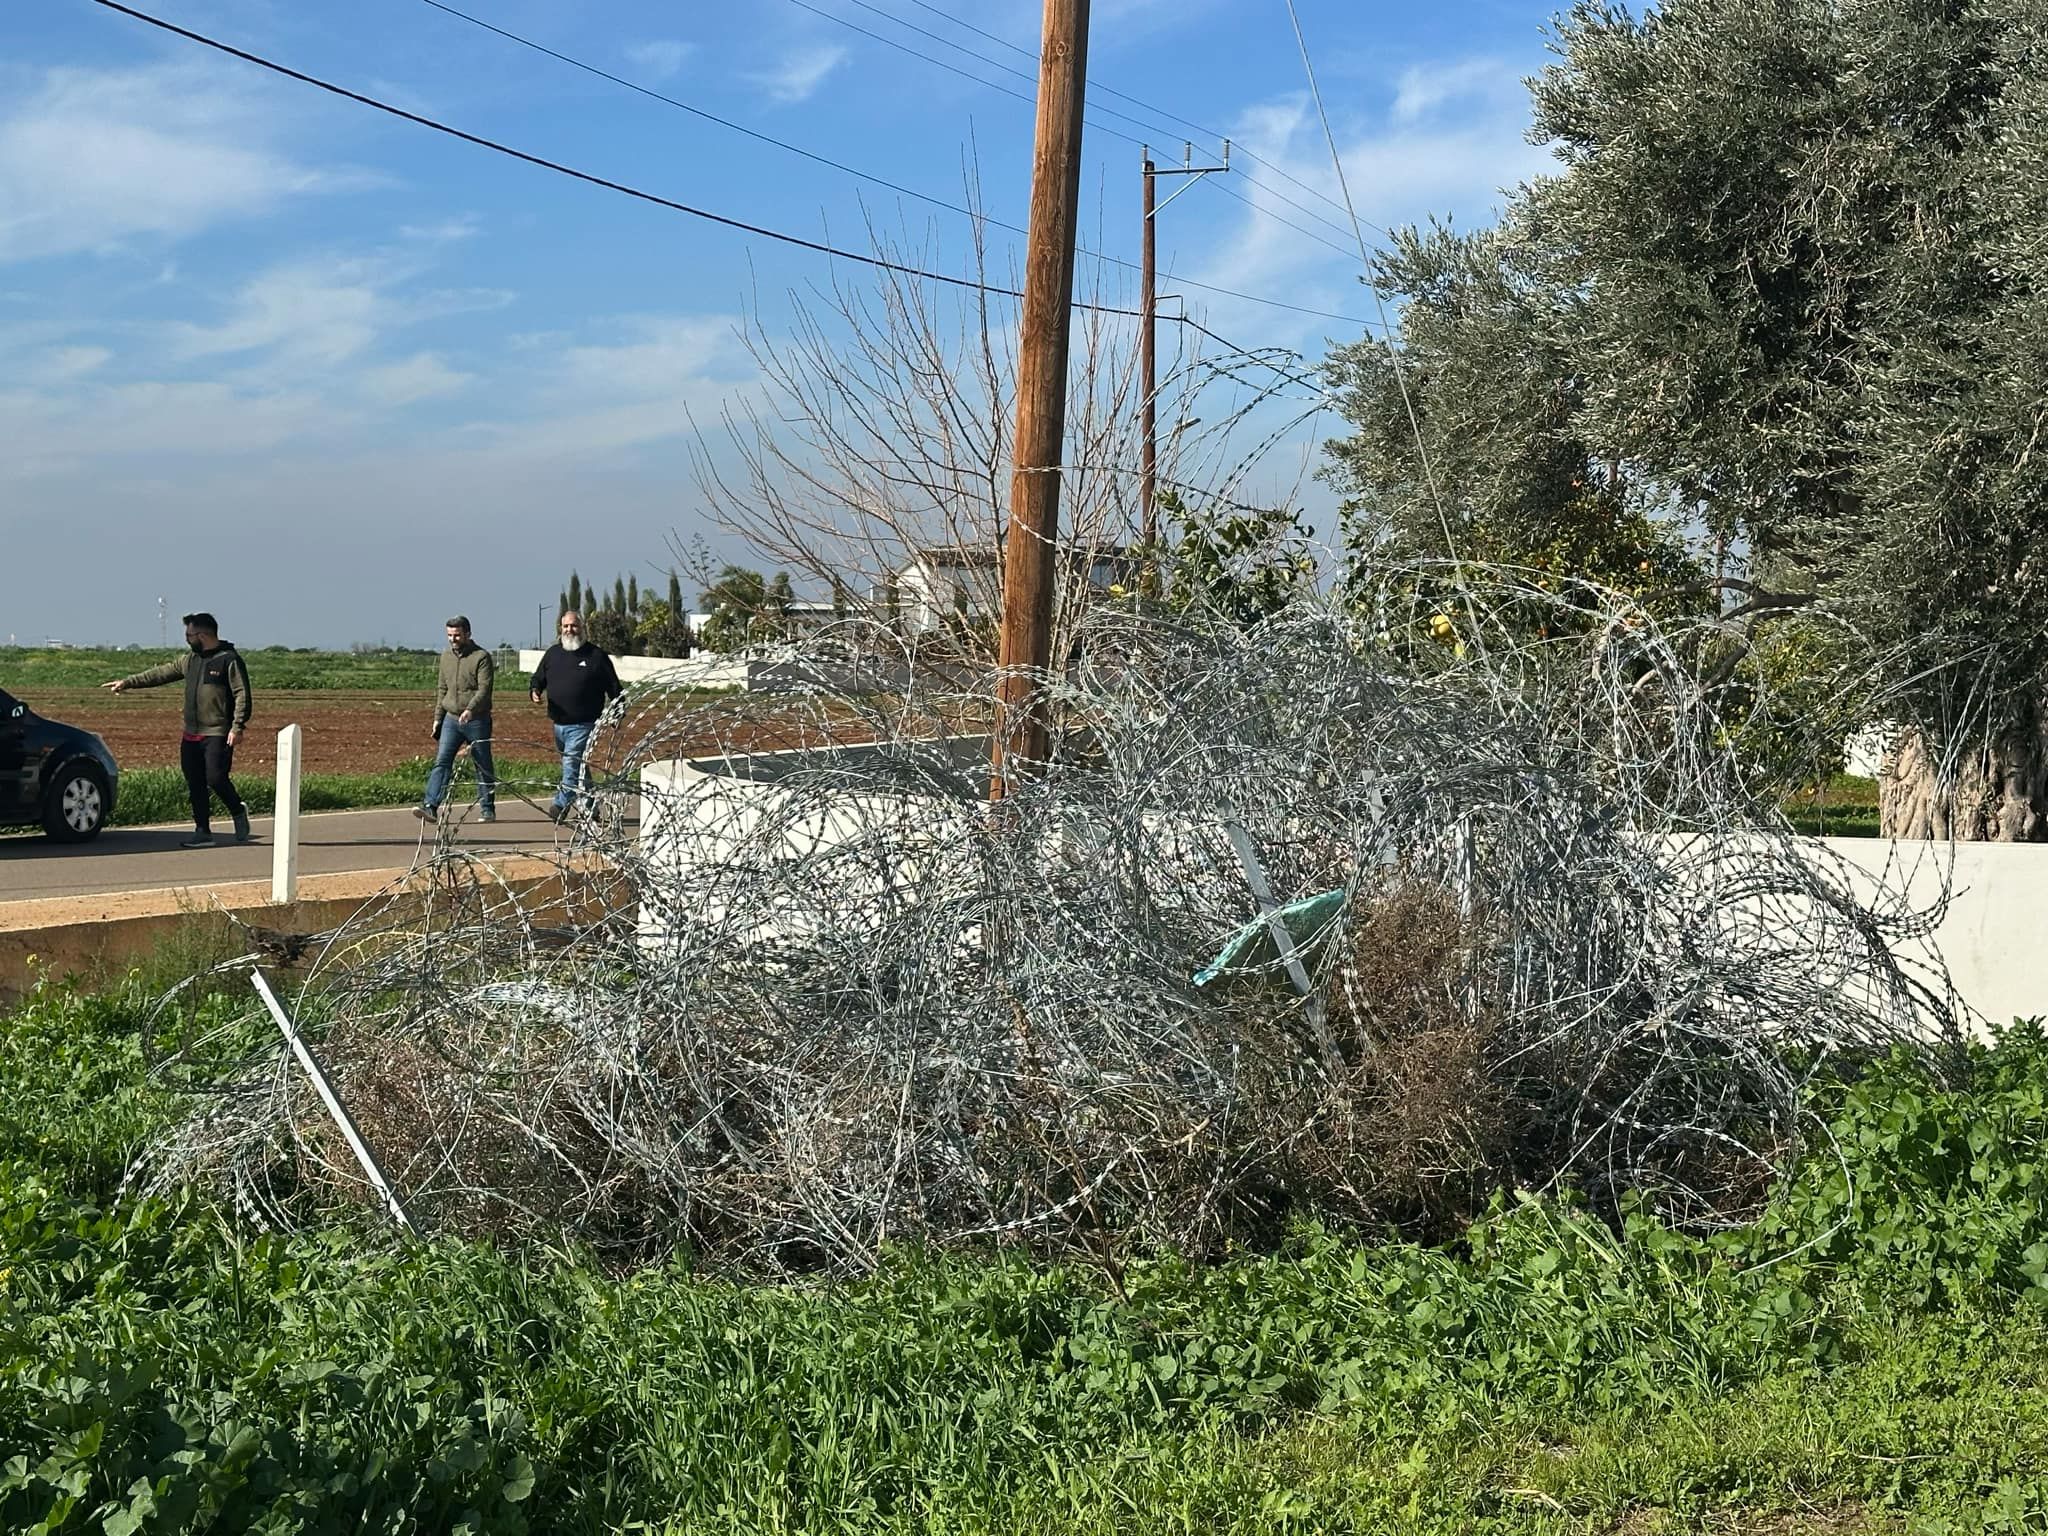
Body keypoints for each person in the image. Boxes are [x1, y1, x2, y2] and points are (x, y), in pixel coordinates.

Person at [103, 611, 253, 848]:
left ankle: (237, 809)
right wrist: (128, 682)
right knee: (195, 782)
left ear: (202, 635)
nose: (186, 638)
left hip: (217, 732)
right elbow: (161, 673)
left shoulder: (228, 660)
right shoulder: (189, 660)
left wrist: (238, 726)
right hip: (191, 733)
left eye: (189, 634)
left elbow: (241, 693)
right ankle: (203, 831)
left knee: (215, 778)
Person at [529, 609, 623, 822]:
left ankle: (560, 805)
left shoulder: (596, 656)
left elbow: (615, 688)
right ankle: (591, 809)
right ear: (560, 628)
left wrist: (618, 713)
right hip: (559, 725)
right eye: (566, 626)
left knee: (571, 765)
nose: (570, 630)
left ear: (582, 628)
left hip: (584, 724)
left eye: (574, 626)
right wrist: (535, 691)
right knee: (578, 767)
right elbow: (538, 678)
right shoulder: (553, 654)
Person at [418, 614, 495, 823]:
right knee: (442, 761)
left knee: (482, 763)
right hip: (451, 719)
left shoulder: (481, 657)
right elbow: (442, 689)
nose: (453, 639)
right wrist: (437, 718)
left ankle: (487, 807)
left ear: (468, 634)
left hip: (477, 720)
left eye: (457, 635)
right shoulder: (445, 657)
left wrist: (470, 709)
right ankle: (430, 806)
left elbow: (484, 689)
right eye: (450, 635)